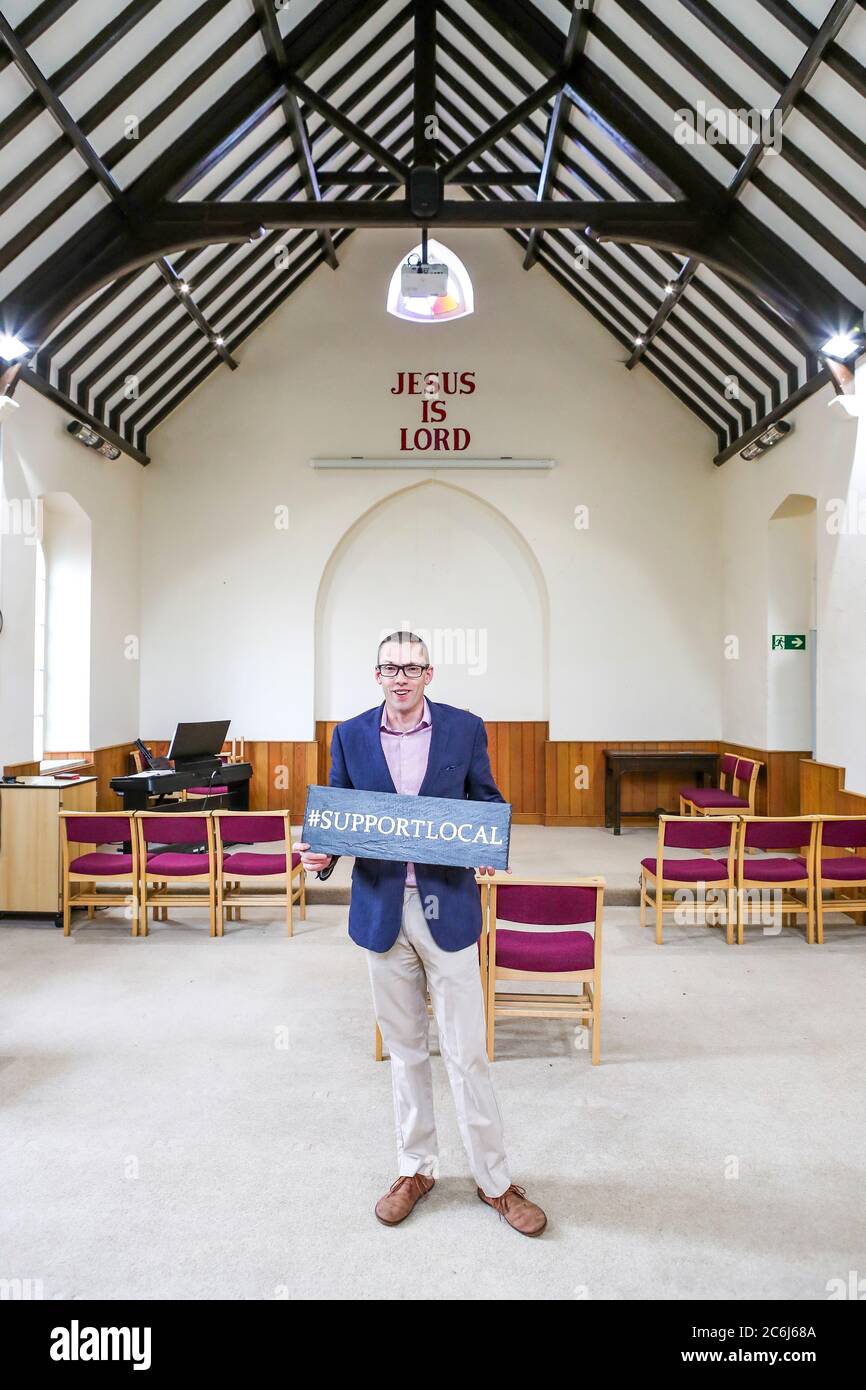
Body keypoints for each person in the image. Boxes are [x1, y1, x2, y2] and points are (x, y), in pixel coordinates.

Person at [293, 631, 547, 1236]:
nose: (400, 677)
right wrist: (319, 859)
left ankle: (495, 1181)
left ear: (429, 673)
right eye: (389, 667)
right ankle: (416, 1168)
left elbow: (485, 801)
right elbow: (339, 819)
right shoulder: (350, 735)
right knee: (406, 1052)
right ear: (376, 674)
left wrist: (486, 844)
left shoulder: (464, 729)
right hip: (382, 910)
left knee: (467, 1053)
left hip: (449, 909)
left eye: (411, 667)